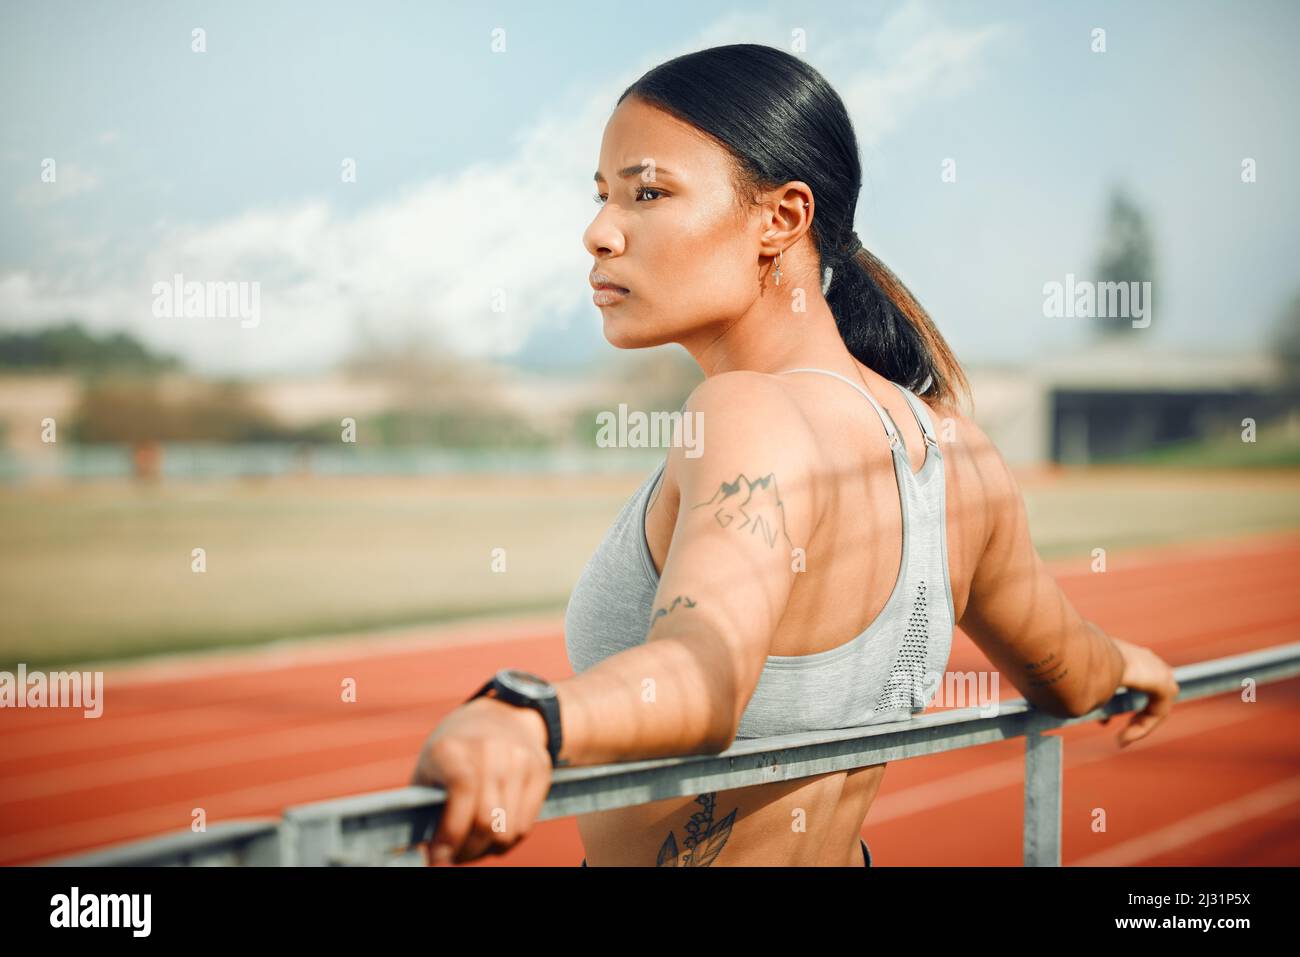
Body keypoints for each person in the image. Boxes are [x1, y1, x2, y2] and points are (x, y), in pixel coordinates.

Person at [410, 43, 1179, 867]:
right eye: (602, 197)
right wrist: (1126, 661)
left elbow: (702, 678)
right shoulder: (957, 451)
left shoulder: (746, 410)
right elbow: (1066, 670)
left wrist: (527, 715)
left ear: (781, 218)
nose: (598, 233)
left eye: (648, 193)